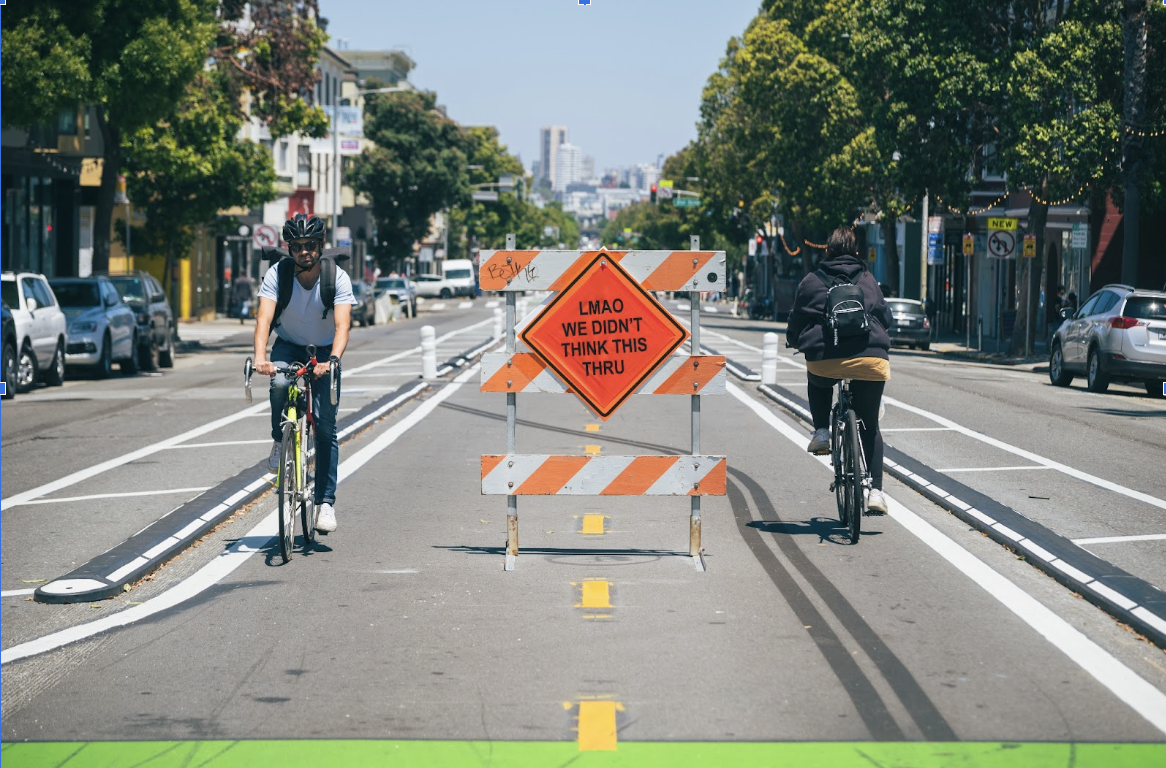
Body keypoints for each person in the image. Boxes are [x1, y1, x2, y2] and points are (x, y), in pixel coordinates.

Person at [253, 214, 357, 533]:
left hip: (325, 350)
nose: (304, 252)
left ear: (320, 246)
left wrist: (333, 360)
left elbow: (343, 325)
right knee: (280, 382)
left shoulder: (335, 277)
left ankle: (325, 503)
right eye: (297, 247)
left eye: (310, 245)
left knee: (325, 429)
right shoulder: (278, 274)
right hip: (289, 344)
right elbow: (263, 319)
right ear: (290, 249)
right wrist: (260, 357)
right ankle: (278, 439)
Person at [786, 226, 893, 514]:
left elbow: (796, 320)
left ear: (827, 250)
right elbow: (886, 317)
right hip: (870, 359)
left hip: (825, 357)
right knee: (870, 425)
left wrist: (794, 339)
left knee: (818, 379)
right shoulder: (868, 279)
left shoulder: (811, 280)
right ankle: (876, 492)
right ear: (856, 251)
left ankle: (822, 430)